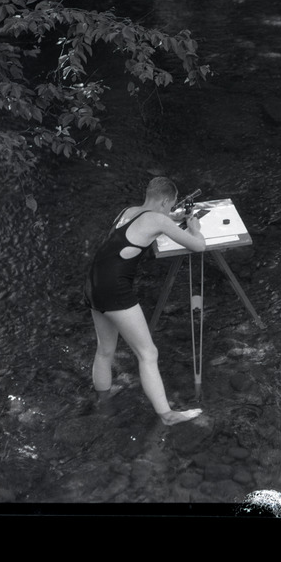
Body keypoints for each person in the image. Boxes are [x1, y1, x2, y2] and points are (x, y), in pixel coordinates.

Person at [83, 176, 208, 425]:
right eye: (171, 205)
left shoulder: (128, 212)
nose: (172, 209)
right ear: (165, 201)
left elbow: (149, 222)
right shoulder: (158, 219)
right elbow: (198, 247)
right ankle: (167, 415)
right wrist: (195, 229)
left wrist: (170, 218)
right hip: (115, 291)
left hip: (92, 285)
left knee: (105, 350)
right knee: (148, 353)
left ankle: (103, 404)